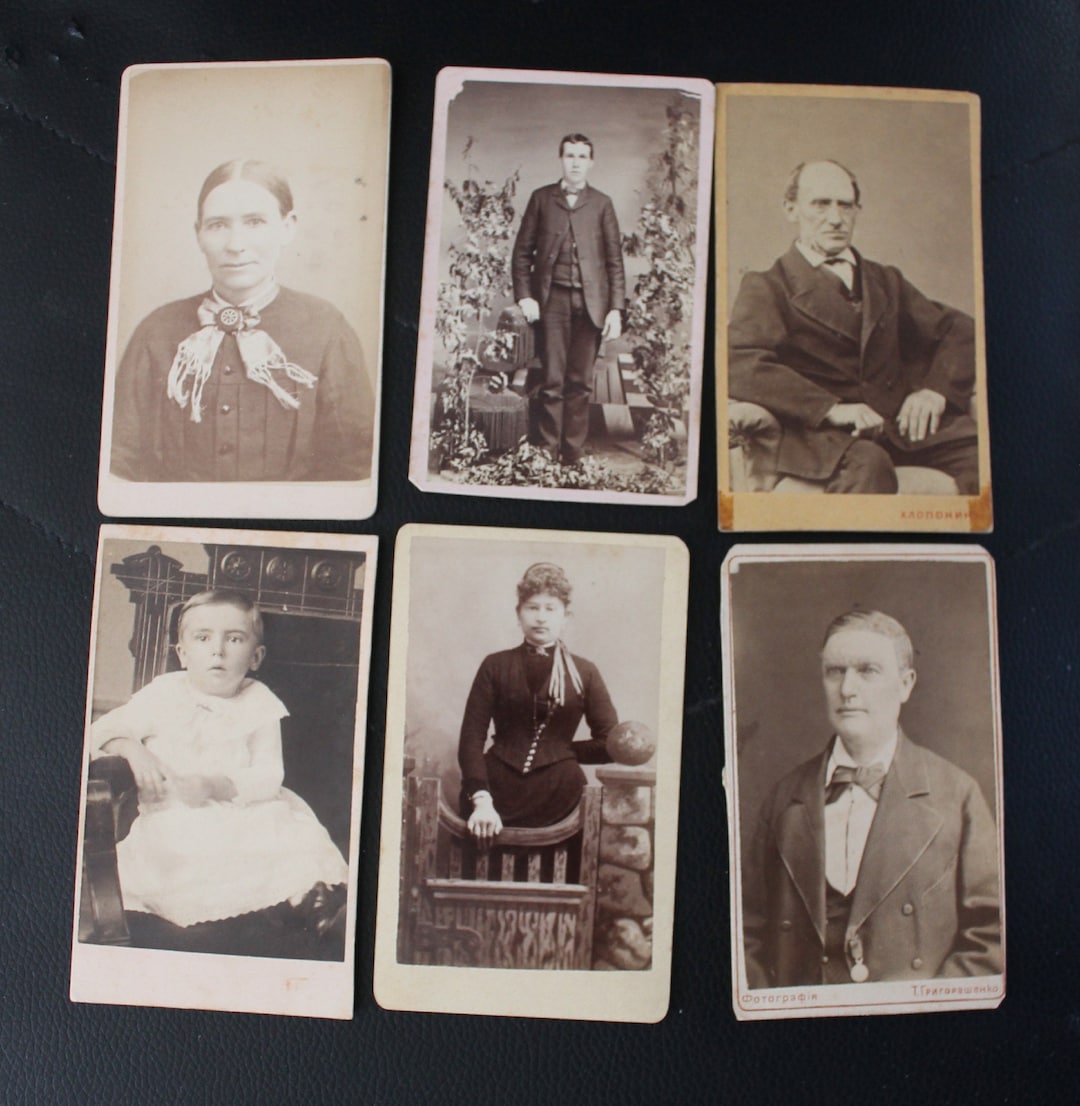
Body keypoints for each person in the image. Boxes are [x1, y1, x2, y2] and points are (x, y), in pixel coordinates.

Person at [743, 609, 1001, 988]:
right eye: (835, 671)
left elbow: (992, 937)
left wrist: (927, 1009)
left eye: (868, 671)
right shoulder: (783, 799)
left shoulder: (957, 796)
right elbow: (745, 935)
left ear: (905, 684)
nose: (847, 689)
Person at [89, 590, 348, 952]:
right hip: (176, 815)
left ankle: (312, 905)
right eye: (203, 637)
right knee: (188, 853)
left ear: (256, 657)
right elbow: (99, 732)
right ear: (182, 653)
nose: (218, 651)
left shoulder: (260, 702)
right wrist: (133, 751)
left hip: (246, 809)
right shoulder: (162, 695)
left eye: (235, 639)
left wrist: (216, 785)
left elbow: (269, 775)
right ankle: (241, 909)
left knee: (292, 837)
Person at [110, 159, 373, 483]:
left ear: (287, 227)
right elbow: (118, 463)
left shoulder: (326, 329)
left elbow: (355, 466)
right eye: (218, 225)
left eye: (255, 222)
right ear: (198, 234)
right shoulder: (156, 332)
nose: (235, 245)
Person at [728, 159, 979, 494]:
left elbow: (959, 329)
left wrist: (935, 391)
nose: (835, 218)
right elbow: (740, 363)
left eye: (845, 205)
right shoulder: (768, 286)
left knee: (982, 456)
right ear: (791, 209)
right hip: (823, 436)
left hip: (900, 427)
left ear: (857, 210)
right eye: (820, 204)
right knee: (870, 466)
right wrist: (832, 409)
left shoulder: (885, 280)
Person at [459, 563, 616, 841]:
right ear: (518, 613)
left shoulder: (585, 672)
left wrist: (561, 751)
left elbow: (610, 744)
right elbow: (471, 739)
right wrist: (481, 799)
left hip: (561, 795)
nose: (541, 617)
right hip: (494, 793)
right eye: (532, 607)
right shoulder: (495, 666)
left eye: (550, 608)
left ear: (566, 616)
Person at [511, 135, 626, 464]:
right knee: (552, 380)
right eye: (570, 155)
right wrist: (526, 297)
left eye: (582, 156)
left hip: (592, 306)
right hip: (552, 302)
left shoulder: (602, 204)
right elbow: (521, 254)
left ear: (591, 163)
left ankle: (573, 455)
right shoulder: (541, 199)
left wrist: (615, 310)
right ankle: (547, 454)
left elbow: (615, 263)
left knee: (580, 382)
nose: (576, 162)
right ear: (561, 159)